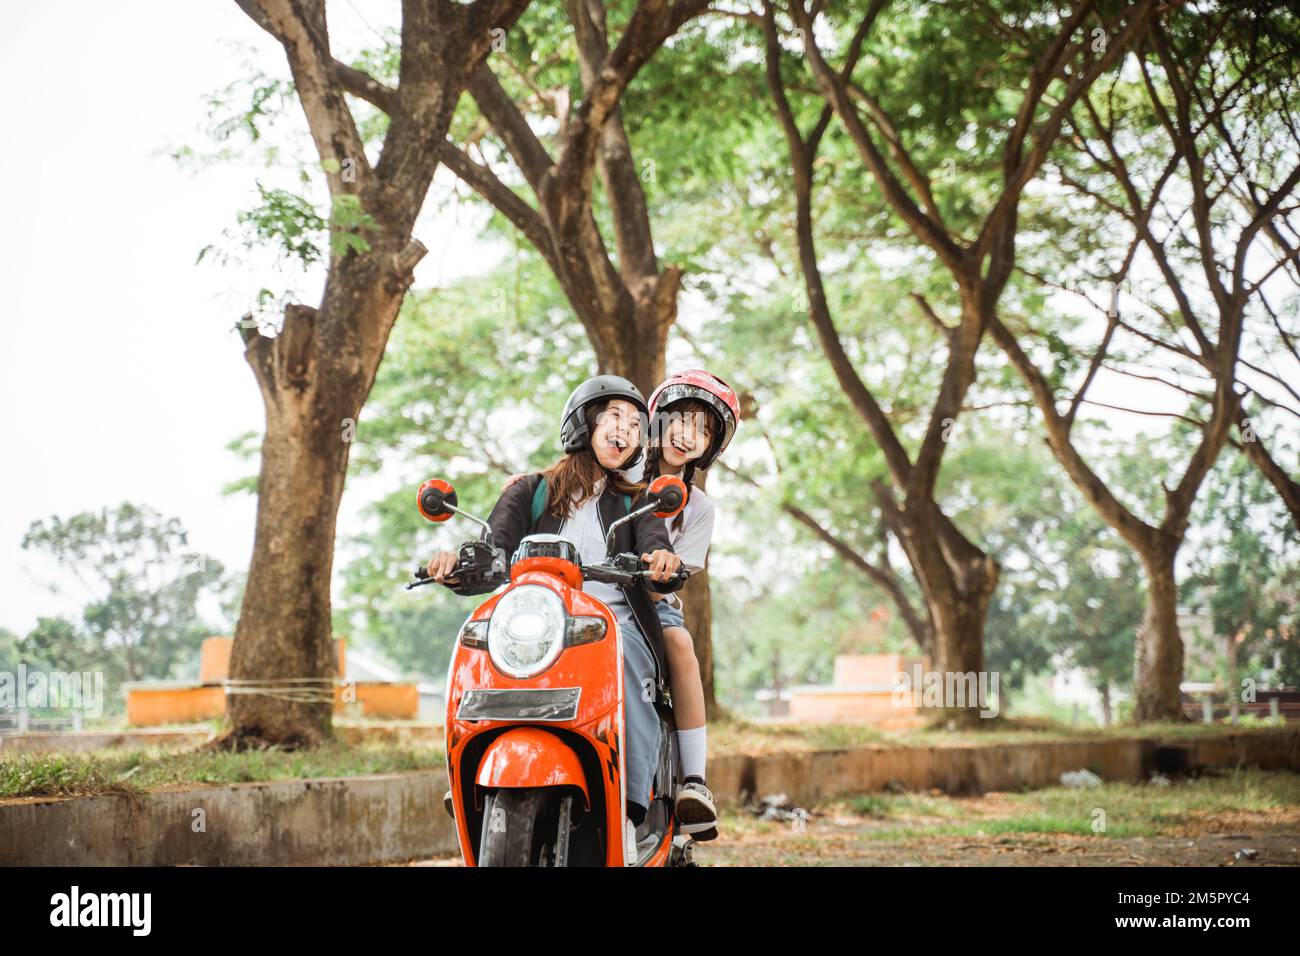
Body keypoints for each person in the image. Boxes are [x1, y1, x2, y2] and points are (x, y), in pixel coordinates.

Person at [426, 374, 683, 859]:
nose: (626, 429)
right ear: (583, 423)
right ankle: (469, 769)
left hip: (611, 619)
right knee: (478, 649)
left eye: (635, 423)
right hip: (537, 618)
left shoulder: (637, 500)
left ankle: (629, 809)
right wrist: (455, 564)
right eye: (614, 417)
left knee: (626, 658)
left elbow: (655, 546)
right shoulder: (530, 490)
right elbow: (492, 548)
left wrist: (661, 561)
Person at [641, 369, 740, 842]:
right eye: (680, 420)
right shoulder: (612, 476)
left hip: (650, 603)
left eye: (702, 430)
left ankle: (695, 781)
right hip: (590, 598)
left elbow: (676, 574)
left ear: (710, 447)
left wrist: (664, 567)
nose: (687, 435)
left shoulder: (699, 508)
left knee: (680, 642)